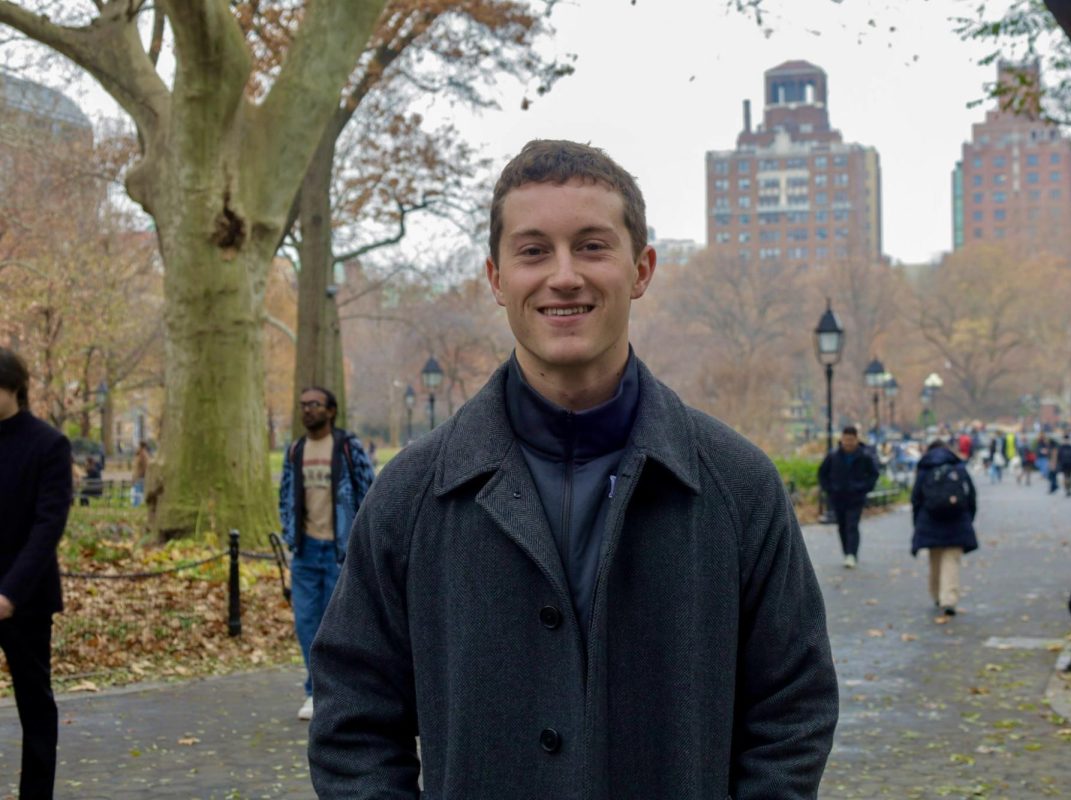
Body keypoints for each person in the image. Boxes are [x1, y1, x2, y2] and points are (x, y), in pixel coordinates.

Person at [308, 140, 838, 797]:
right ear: (496, 279)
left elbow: (792, 708)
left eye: (592, 246)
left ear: (641, 269)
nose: (564, 275)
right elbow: (354, 722)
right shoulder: (413, 497)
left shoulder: (736, 487)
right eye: (533, 251)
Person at [0, 348, 73, 799]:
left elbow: (48, 526)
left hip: (24, 599)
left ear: (12, 386)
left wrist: (10, 593)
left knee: (35, 705)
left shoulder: (48, 444)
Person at [279, 386, 375, 721]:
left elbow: (368, 491)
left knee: (339, 623)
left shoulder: (347, 447)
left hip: (339, 551)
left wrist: (361, 540)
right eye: (303, 404)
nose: (307, 410)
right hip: (306, 551)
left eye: (314, 404)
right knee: (306, 622)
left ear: (330, 410)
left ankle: (339, 690)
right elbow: (285, 495)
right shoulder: (296, 450)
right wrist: (290, 532)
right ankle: (314, 690)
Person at [910, 439, 978, 617]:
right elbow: (971, 496)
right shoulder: (959, 467)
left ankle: (936, 595)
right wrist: (968, 519)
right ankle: (949, 599)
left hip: (930, 520)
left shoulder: (924, 469)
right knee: (951, 561)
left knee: (935, 560)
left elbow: (916, 498)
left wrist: (918, 523)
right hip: (957, 520)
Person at [819, 425, 880, 569]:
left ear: (856, 439)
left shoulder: (864, 456)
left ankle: (851, 554)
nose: (848, 443)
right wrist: (829, 489)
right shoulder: (833, 455)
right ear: (842, 439)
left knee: (852, 525)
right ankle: (847, 551)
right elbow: (822, 473)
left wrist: (864, 488)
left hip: (856, 497)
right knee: (842, 526)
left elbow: (873, 474)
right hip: (838, 497)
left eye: (851, 440)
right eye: (846, 439)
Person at [1057, 433, 1071, 498]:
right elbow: (1059, 457)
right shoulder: (1061, 447)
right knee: (1066, 477)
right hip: (1064, 465)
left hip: (1070, 465)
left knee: (1070, 478)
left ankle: (1069, 489)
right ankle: (1067, 489)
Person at [131, 441, 150, 507]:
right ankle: (137, 506)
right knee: (139, 493)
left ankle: (136, 506)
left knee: (137, 493)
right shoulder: (143, 455)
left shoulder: (139, 454)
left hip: (137, 477)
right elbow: (146, 467)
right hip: (141, 477)